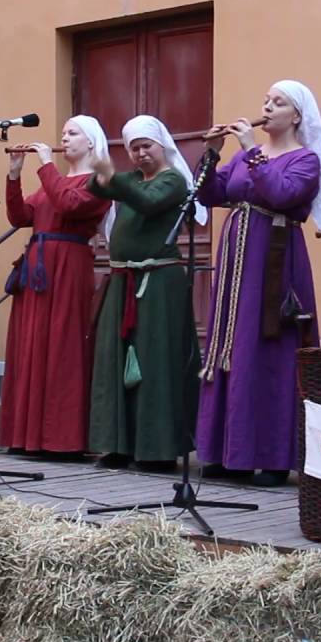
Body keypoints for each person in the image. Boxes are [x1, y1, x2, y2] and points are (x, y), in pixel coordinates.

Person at [194, 81, 321, 487]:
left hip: (275, 262)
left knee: (267, 346)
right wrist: (213, 154)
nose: (267, 107)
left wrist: (250, 150)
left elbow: (281, 193)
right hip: (236, 258)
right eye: (266, 101)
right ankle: (224, 451)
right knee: (229, 345)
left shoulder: (305, 160)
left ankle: (270, 456)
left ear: (297, 115)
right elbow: (211, 194)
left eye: (278, 102)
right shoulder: (242, 158)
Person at [86, 115, 202, 471]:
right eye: (133, 148)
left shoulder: (174, 180)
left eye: (145, 146)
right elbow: (98, 188)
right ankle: (118, 445)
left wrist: (111, 175)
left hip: (158, 284)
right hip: (124, 281)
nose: (139, 154)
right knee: (115, 360)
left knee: (155, 362)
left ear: (162, 145)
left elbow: (147, 201)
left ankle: (157, 449)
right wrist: (103, 174)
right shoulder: (133, 179)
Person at [0, 116, 114, 457]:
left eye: (72, 133)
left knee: (63, 344)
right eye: (63, 132)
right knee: (32, 344)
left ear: (91, 141)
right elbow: (20, 217)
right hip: (38, 269)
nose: (65, 137)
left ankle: (60, 438)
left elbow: (70, 205)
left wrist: (46, 164)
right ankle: (26, 435)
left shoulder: (100, 181)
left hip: (68, 267)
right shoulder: (55, 181)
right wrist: (15, 174)